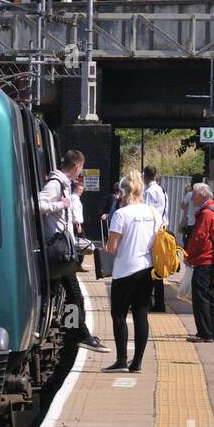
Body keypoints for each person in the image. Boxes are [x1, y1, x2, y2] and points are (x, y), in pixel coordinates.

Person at [39, 150, 107, 352]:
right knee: (74, 295)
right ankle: (79, 335)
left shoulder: (62, 184)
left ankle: (74, 332)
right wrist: (62, 204)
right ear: (77, 167)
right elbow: (38, 204)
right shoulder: (55, 184)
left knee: (65, 294)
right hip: (57, 249)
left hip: (61, 249)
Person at [103, 171, 161, 372]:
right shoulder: (153, 213)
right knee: (141, 314)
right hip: (147, 268)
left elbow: (111, 248)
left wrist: (108, 247)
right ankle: (137, 362)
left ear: (123, 191)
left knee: (118, 314)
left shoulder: (121, 214)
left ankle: (121, 359)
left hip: (124, 270)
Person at [183, 182, 214, 343]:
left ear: (201, 195)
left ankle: (204, 333)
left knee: (200, 297)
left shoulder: (206, 214)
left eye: (194, 195)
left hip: (204, 259)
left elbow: (198, 237)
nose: (192, 198)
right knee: (210, 295)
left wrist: (188, 255)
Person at [141, 166, 169, 313]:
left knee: (148, 268)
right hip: (162, 230)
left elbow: (146, 212)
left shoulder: (149, 192)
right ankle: (159, 302)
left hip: (151, 232)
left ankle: (146, 302)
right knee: (158, 268)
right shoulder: (162, 190)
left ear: (145, 176)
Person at [180, 173, 204, 241]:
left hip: (191, 223)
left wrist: (186, 193)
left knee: (188, 244)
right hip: (200, 223)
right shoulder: (204, 195)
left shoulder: (190, 194)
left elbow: (182, 206)